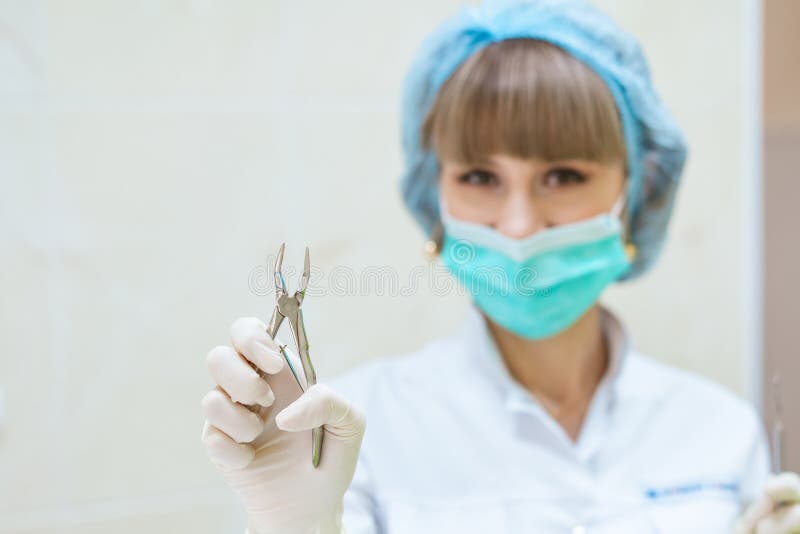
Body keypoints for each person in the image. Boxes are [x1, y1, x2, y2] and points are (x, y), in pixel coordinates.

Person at [199, 1, 800, 532]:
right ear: (434, 197)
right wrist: (297, 528)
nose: (518, 226)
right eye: (480, 177)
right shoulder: (345, 435)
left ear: (639, 190)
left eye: (563, 175)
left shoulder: (721, 429)